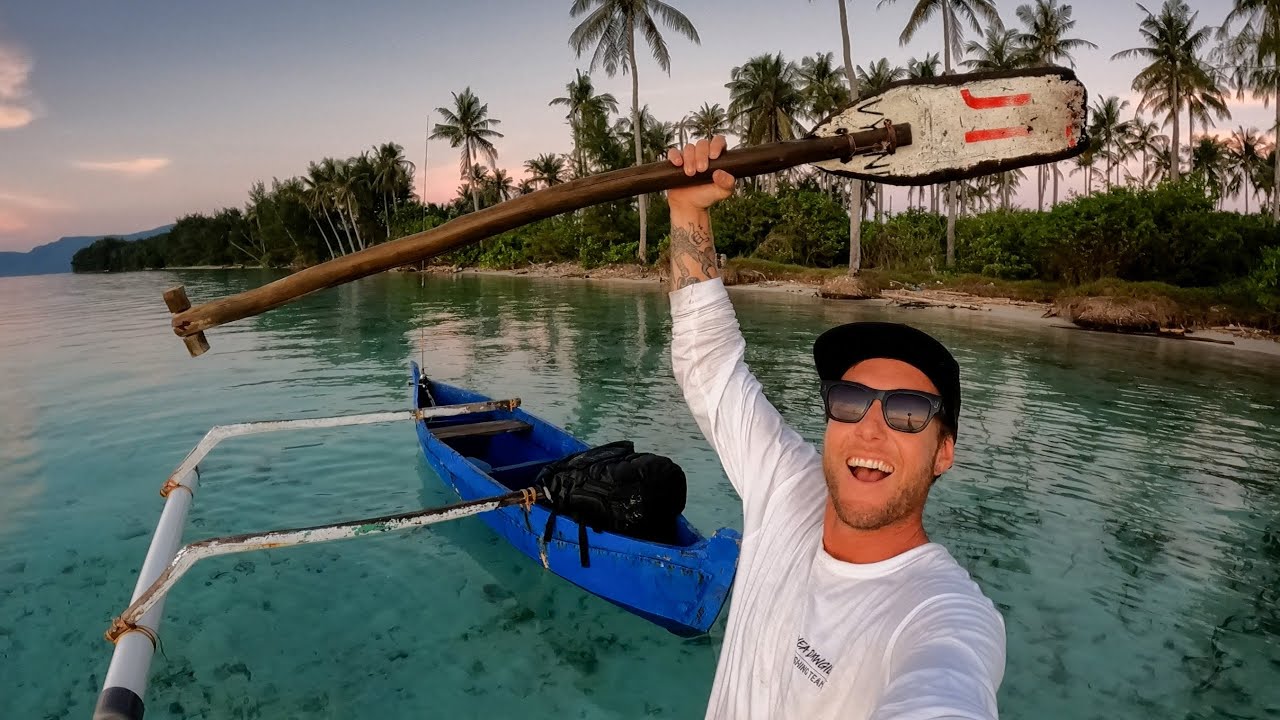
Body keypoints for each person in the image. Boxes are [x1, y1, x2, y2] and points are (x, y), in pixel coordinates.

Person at [664, 135, 1006, 720]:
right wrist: (687, 211)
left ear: (944, 451)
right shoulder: (787, 490)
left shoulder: (941, 613)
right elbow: (708, 367)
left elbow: (947, 688)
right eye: (850, 400)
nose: (870, 429)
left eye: (907, 412)